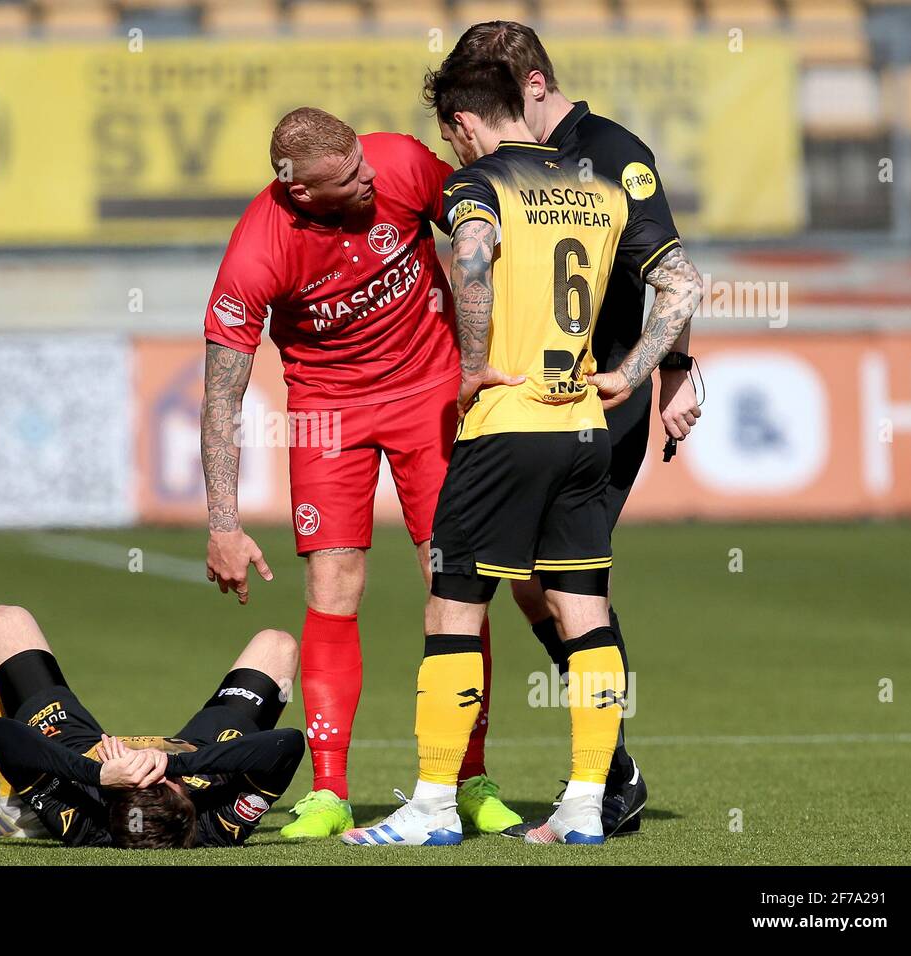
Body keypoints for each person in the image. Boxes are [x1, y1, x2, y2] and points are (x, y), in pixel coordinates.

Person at [345, 54, 701, 847]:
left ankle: (433, 804)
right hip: (583, 423)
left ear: (464, 124)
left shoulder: (480, 185)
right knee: (584, 614)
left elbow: (471, 259)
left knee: (452, 608)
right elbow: (682, 282)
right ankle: (583, 804)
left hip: (507, 423)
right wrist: (634, 373)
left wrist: (471, 367)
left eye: (453, 136)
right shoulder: (596, 184)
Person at [200, 107, 516, 838]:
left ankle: (466, 776)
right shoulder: (256, 250)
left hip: (432, 393)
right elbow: (222, 394)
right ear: (302, 191)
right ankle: (330, 791)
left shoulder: (400, 163)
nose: (369, 176)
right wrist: (223, 522)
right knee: (333, 588)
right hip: (325, 411)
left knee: (454, 581)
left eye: (363, 161)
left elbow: (483, 228)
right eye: (349, 177)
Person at [440, 21, 704, 837]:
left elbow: (673, 270)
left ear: (532, 86)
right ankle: (607, 771)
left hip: (598, 395)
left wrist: (664, 371)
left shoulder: (612, 152)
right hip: (549, 398)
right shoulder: (523, 168)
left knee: (571, 585)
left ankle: (608, 775)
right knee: (539, 584)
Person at [0, 604, 305, 848]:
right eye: (167, 783)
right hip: (199, 752)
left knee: (5, 620)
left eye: (137, 778)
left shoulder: (82, 820)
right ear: (187, 805)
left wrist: (97, 775)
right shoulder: (215, 824)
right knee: (278, 645)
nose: (142, 762)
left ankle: (17, 805)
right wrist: (175, 763)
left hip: (82, 756)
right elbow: (288, 744)